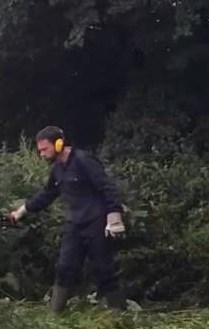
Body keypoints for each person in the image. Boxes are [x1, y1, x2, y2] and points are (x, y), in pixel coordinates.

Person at [7, 126, 127, 311]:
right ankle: (55, 316)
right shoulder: (57, 169)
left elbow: (107, 187)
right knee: (64, 268)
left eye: (44, 149)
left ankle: (118, 313)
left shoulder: (83, 160)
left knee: (104, 269)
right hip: (74, 226)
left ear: (59, 143)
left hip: (96, 222)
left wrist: (114, 217)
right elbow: (47, 194)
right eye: (40, 150)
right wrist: (21, 211)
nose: (42, 154)